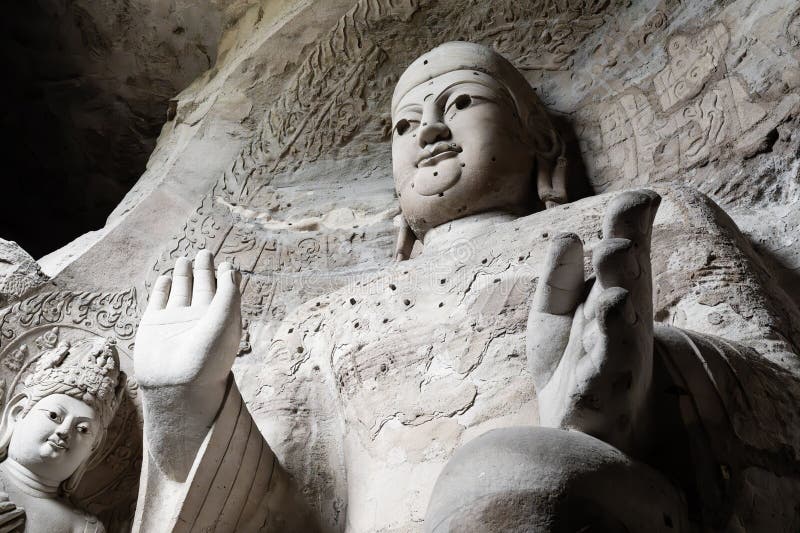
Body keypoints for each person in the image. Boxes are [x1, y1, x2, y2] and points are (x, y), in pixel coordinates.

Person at [135, 42, 800, 531]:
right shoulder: (324, 320)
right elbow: (288, 513)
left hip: (597, 503)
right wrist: (188, 411)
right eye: (404, 125)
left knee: (515, 472)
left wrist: (655, 382)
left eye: (461, 103)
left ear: (539, 138)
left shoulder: (638, 221)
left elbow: (782, 399)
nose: (427, 130)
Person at [0, 336, 126, 532]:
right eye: (54, 415)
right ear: (17, 413)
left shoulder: (83, 528)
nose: (64, 431)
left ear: (94, 448)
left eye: (83, 429)